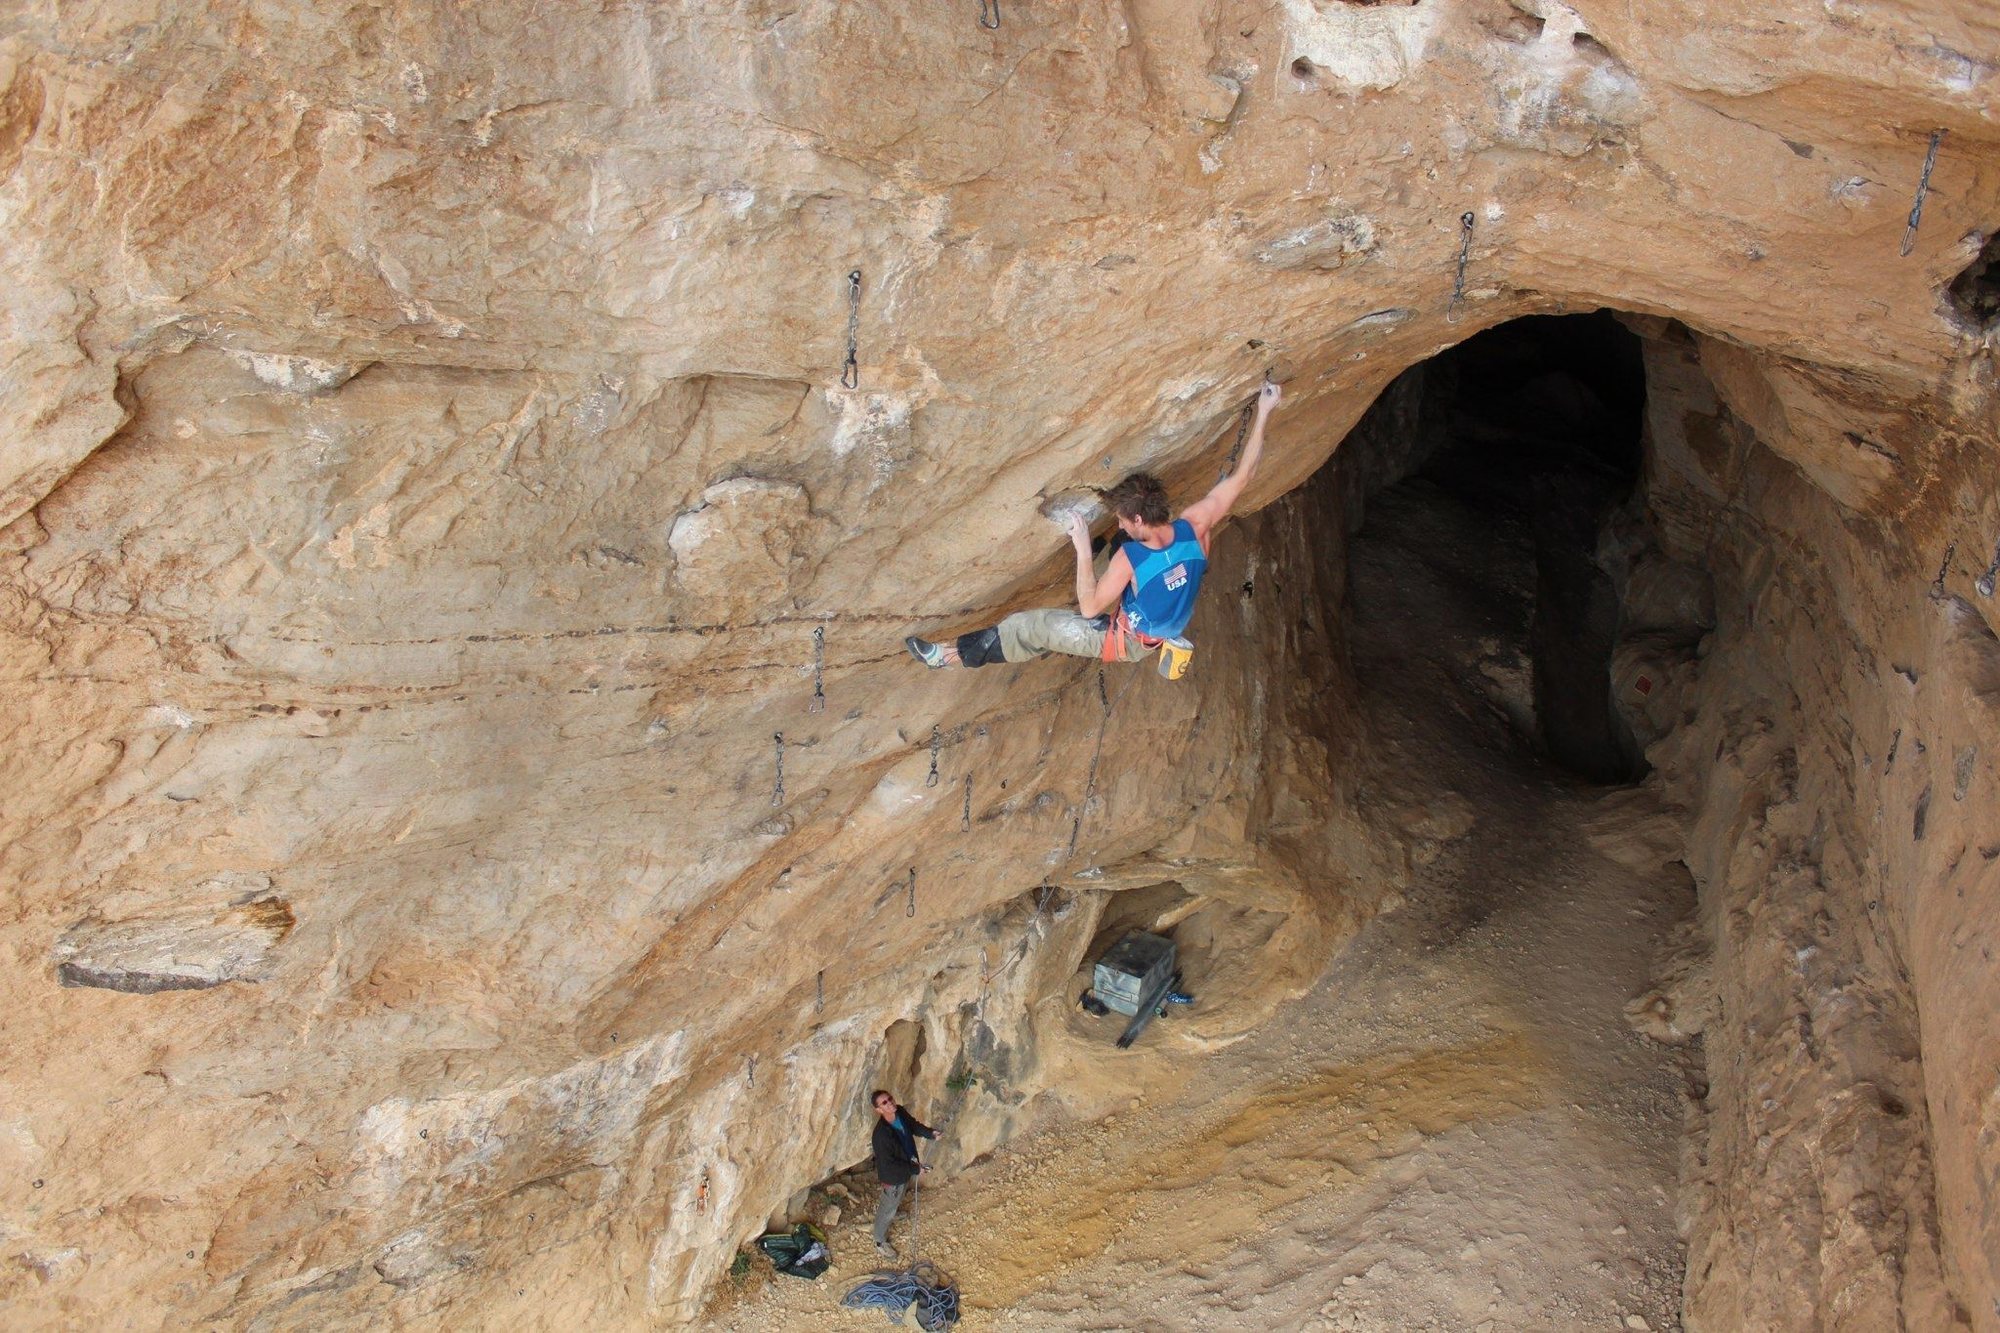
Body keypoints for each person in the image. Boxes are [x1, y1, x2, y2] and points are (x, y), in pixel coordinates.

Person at [905, 380, 1282, 671]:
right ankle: (1101, 565)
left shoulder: (1132, 560)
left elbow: (1088, 609)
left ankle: (948, 656)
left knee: (1031, 627)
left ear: (1138, 518)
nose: (1119, 522)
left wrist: (1083, 551)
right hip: (1159, 609)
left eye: (1122, 518)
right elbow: (1244, 475)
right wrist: (1265, 411)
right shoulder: (1196, 526)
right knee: (1117, 543)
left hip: (1128, 640)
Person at [869, 1088, 936, 1260]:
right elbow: (890, 1165)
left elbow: (913, 1125)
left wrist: (930, 1134)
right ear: (879, 1110)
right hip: (893, 1176)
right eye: (884, 1103)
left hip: (906, 1167)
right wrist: (915, 1169)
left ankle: (893, 1210)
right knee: (887, 1207)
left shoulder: (900, 1112)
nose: (890, 1103)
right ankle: (879, 1241)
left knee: (895, 1199)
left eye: (889, 1099)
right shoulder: (881, 1136)